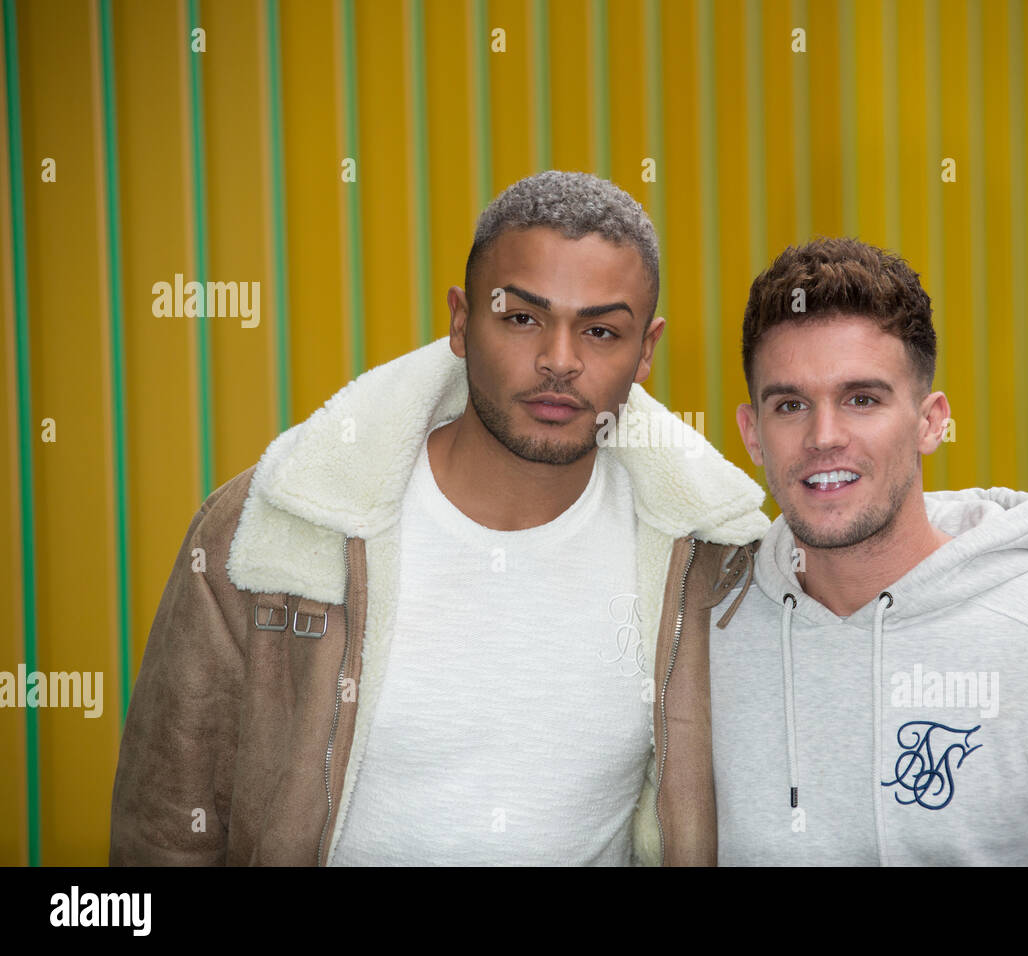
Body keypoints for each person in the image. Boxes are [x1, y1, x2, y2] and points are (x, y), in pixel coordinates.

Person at [109, 170, 768, 866]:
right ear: (461, 321)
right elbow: (165, 832)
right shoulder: (273, 525)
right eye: (522, 318)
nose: (559, 361)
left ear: (646, 352)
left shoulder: (707, 560)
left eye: (601, 330)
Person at [708, 236, 1028, 865]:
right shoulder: (706, 639)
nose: (823, 437)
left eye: (862, 399)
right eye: (791, 405)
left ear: (930, 421)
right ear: (753, 433)